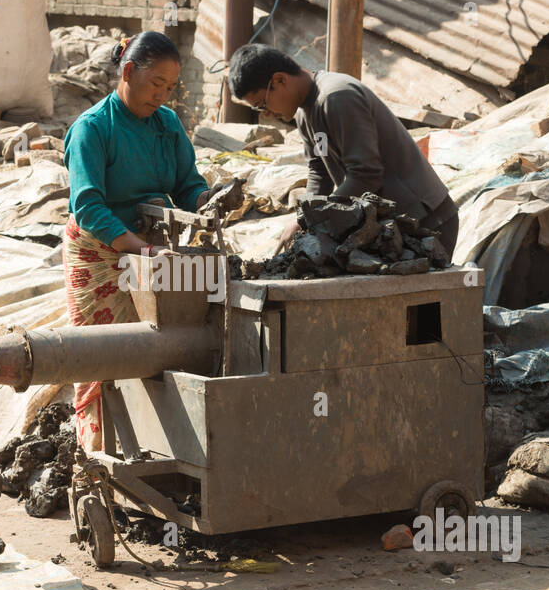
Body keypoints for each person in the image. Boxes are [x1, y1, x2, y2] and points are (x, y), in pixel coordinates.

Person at [63, 31, 211, 451]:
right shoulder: (92, 129)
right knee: (99, 359)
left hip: (151, 250)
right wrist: (143, 250)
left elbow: (187, 184)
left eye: (170, 88)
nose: (162, 96)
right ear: (128, 72)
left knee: (159, 352)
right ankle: (97, 464)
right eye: (156, 85)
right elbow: (89, 208)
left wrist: (208, 199)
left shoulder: (166, 124)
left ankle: (152, 449)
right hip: (101, 252)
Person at [227, 44, 459, 260]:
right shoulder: (303, 112)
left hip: (426, 221)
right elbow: (319, 172)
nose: (265, 114)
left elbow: (366, 174)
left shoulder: (336, 97)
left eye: (261, 104)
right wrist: (304, 219)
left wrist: (317, 219)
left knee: (417, 302)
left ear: (279, 80)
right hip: (390, 225)